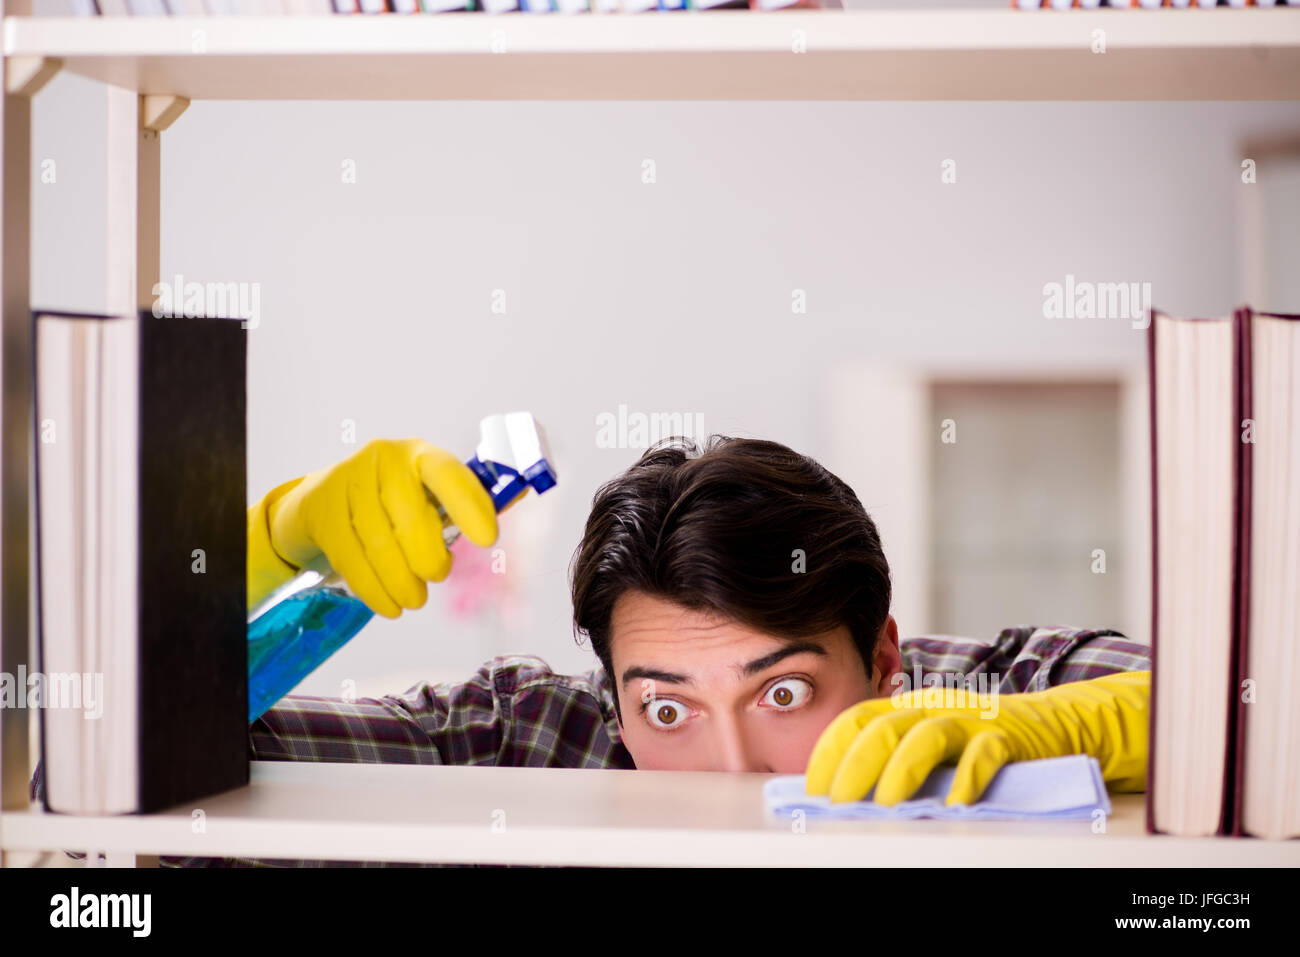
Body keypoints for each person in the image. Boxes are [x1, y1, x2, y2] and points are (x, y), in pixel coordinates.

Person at [30, 434, 1151, 867]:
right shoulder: (520, 735)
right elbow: (102, 770)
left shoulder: (968, 702)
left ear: (888, 660)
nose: (730, 770)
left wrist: (1073, 729)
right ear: (610, 697)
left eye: (787, 691)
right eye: (664, 708)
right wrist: (274, 549)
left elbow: (1247, 706)